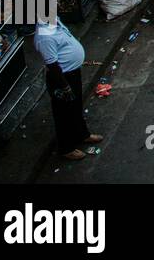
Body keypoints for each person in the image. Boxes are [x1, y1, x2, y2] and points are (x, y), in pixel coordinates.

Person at [34, 16, 103, 160]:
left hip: (72, 72)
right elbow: (52, 65)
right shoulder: (44, 37)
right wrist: (64, 87)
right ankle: (66, 148)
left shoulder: (54, 20)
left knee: (76, 106)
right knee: (63, 114)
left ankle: (82, 134)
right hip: (61, 79)